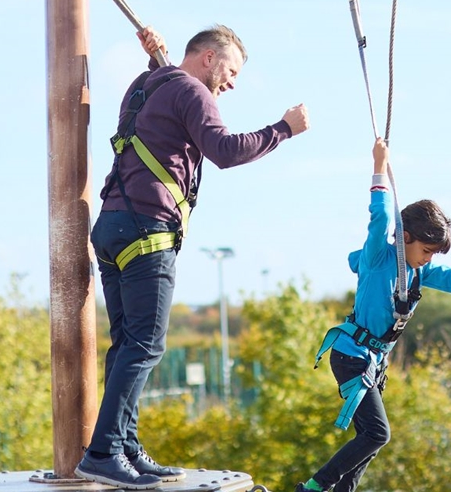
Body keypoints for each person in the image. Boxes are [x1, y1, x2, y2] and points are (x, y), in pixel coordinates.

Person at [75, 25, 310, 490]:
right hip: (148, 229)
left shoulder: (145, 85)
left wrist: (155, 58)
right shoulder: (193, 92)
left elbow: (161, 114)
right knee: (145, 345)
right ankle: (103, 452)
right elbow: (224, 150)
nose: (232, 83)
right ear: (207, 58)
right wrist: (283, 129)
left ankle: (124, 446)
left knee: (127, 345)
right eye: (231, 71)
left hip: (113, 226)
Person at [295, 139, 451, 492]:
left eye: (433, 254)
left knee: (370, 439)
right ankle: (314, 488)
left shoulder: (420, 273)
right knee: (378, 433)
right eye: (426, 250)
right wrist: (379, 167)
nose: (428, 258)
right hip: (351, 356)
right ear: (406, 237)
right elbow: (381, 217)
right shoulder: (378, 257)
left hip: (371, 363)